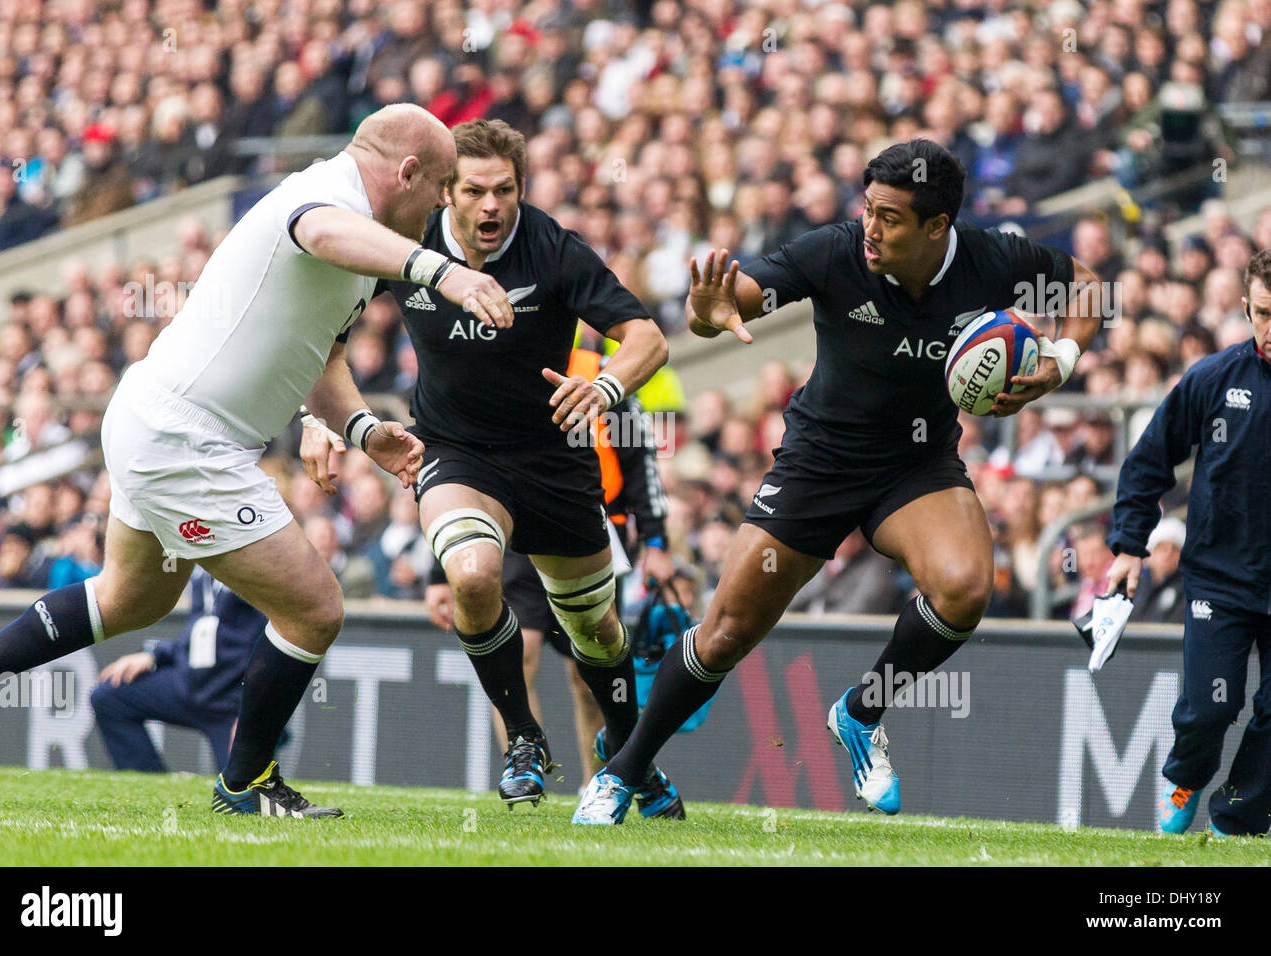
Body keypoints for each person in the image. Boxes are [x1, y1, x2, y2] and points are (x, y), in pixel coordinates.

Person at [0, 103, 512, 819]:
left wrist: (361, 429)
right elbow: (318, 229)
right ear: (407, 172)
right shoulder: (325, 198)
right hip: (184, 437)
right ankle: (246, 783)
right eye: (441, 189)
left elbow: (322, 360)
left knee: (131, 599)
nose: (443, 207)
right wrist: (444, 274)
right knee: (315, 608)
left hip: (157, 421)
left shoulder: (363, 241)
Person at [574, 139, 1105, 824]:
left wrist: (1062, 357)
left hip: (915, 465)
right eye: (868, 209)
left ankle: (860, 712)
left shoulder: (993, 260)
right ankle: (624, 770)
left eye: (889, 217)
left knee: (965, 588)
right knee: (727, 631)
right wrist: (709, 311)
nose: (870, 228)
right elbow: (735, 300)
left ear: (937, 227)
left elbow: (1088, 285)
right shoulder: (835, 251)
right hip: (819, 462)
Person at [303, 119, 674, 812]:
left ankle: (633, 761)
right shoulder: (406, 246)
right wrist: (322, 421)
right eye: (474, 191)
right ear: (446, 191)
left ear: (522, 187)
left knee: (596, 633)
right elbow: (317, 341)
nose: (490, 205)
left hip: (555, 460)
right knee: (472, 575)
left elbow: (647, 338)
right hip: (456, 452)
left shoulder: (554, 248)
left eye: (504, 190)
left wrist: (604, 387)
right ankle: (524, 740)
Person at [424, 342, 677, 799]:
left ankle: (602, 782)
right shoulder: (494, 363)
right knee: (519, 654)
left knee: (588, 674)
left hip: (590, 531)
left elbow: (640, 457)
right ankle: (524, 764)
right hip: (513, 531)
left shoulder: (602, 371)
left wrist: (657, 540)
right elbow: (456, 471)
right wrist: (439, 572)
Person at [1105, 250, 1271, 838]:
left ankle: (1236, 818)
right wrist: (1129, 545)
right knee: (1209, 708)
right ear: (1246, 309)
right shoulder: (1213, 378)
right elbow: (1149, 459)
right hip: (1219, 580)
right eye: (1264, 314)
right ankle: (1186, 777)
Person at [91, 567, 267, 772]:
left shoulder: (258, 564)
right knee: (110, 696)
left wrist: (254, 712)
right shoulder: (202, 566)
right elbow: (199, 632)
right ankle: (151, 784)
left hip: (235, 703)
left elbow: (273, 644)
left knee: (241, 784)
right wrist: (154, 655)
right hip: (191, 684)